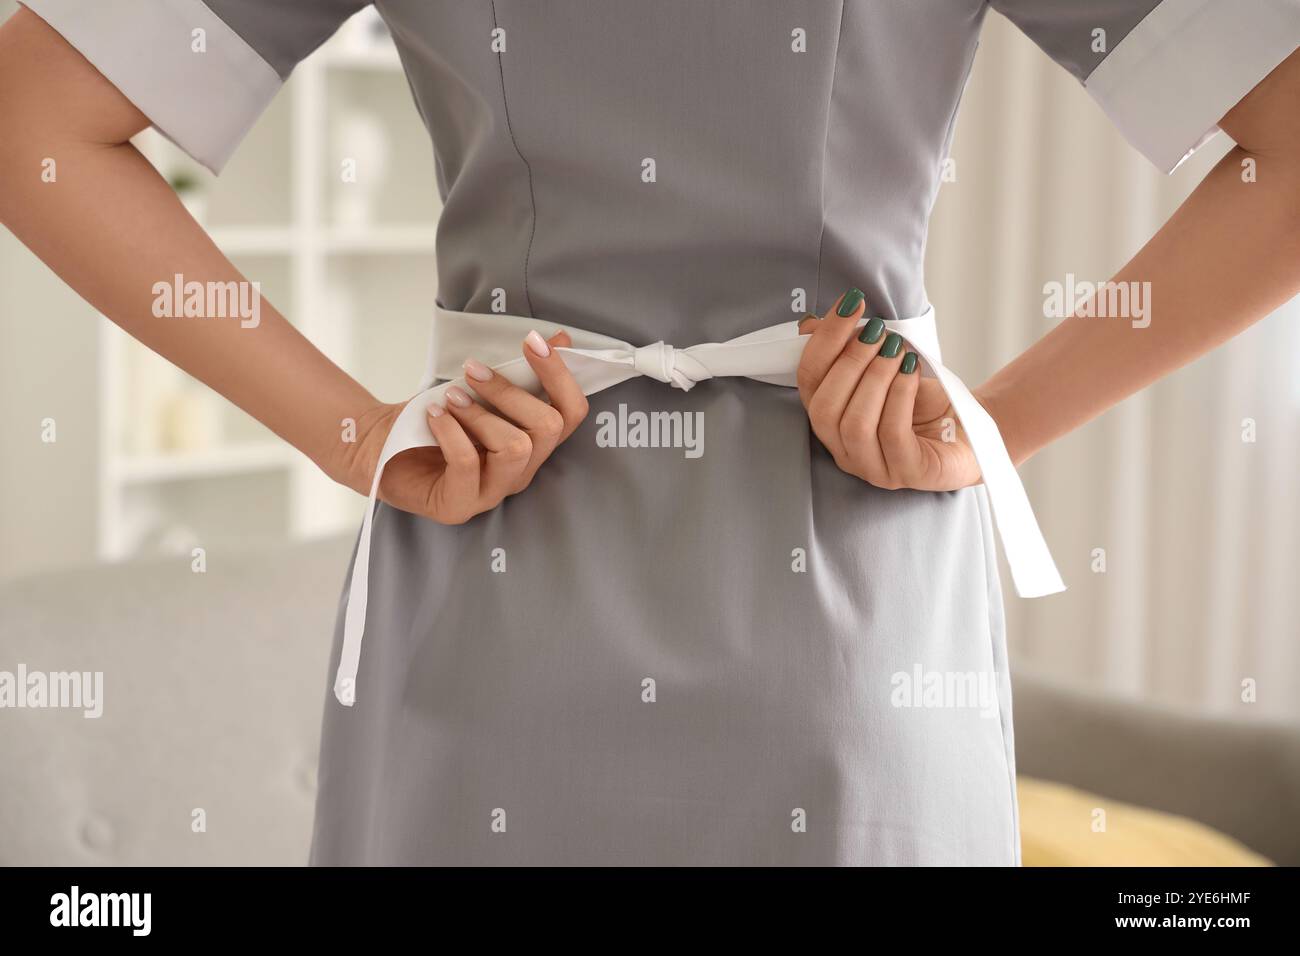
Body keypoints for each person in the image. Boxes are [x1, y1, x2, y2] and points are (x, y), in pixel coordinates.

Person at [1, 1, 1297, 865]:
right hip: (846, 613)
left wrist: (358, 437)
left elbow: (33, 123)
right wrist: (988, 424)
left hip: (496, 577)